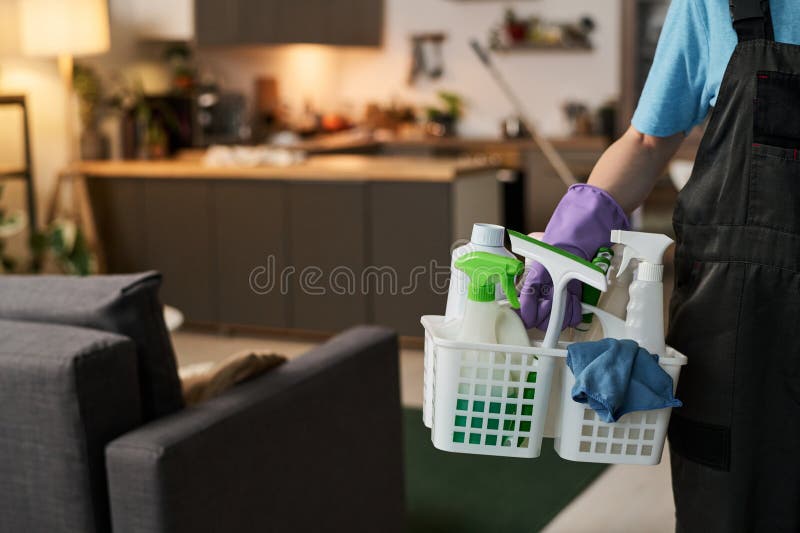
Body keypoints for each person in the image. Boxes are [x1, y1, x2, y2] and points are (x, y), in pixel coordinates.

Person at [519, 0, 800, 530]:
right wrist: (573, 236)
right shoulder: (713, 4)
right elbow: (649, 140)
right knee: (725, 506)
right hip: (735, 335)